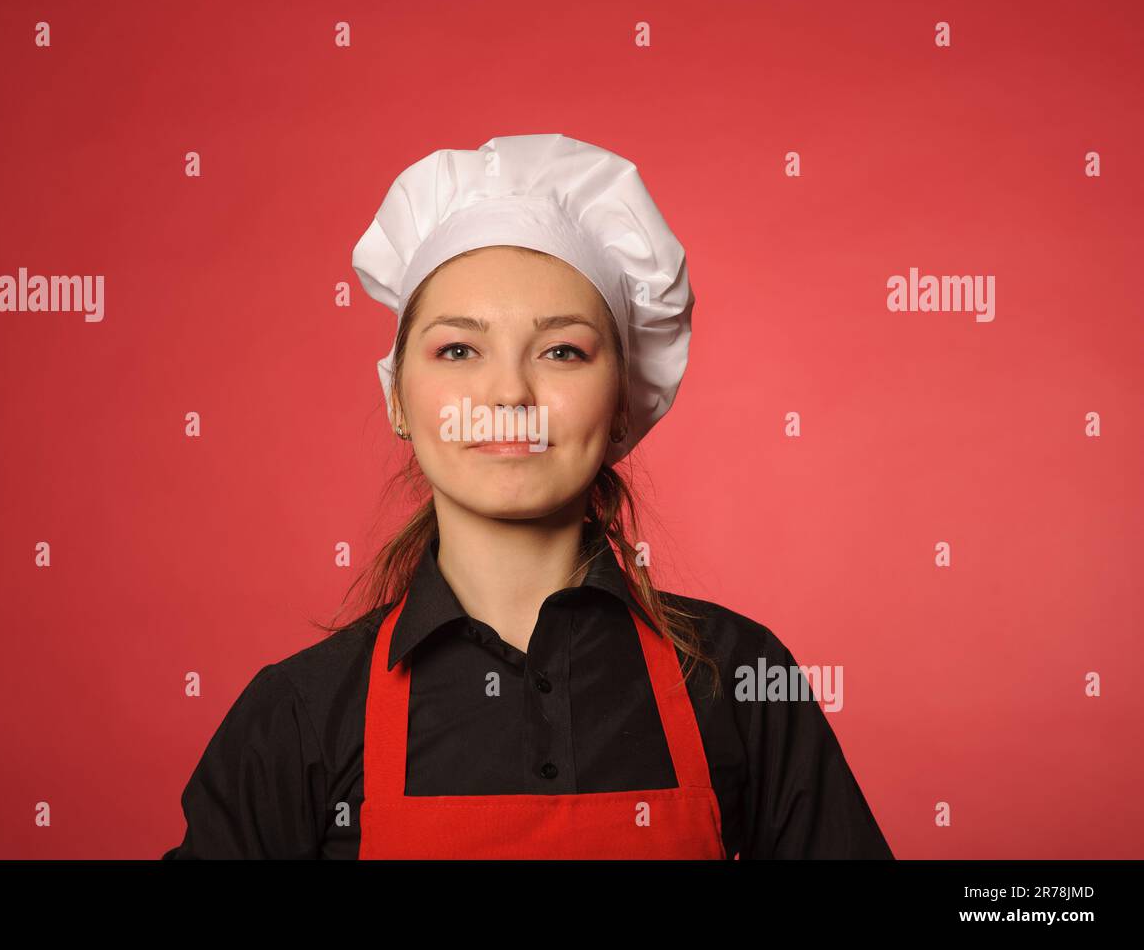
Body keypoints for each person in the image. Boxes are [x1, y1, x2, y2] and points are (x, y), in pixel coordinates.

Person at [163, 134, 893, 859]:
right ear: (397, 399)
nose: (509, 393)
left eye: (563, 351)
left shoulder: (740, 680)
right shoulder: (300, 715)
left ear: (621, 404)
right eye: (458, 349)